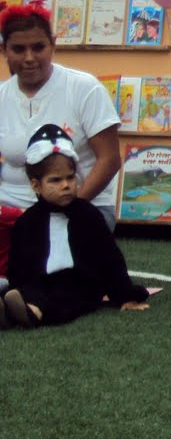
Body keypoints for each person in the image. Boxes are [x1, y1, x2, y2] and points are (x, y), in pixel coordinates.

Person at [0, 4, 121, 272]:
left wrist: (69, 207)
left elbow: (110, 160)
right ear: (4, 51)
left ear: (53, 45)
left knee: (55, 270)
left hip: (80, 206)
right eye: (18, 49)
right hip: (10, 209)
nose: (30, 57)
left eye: (38, 47)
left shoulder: (84, 88)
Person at [1, 124, 149, 327]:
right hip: (40, 282)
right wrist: (18, 286)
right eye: (55, 180)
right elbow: (18, 265)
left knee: (67, 296)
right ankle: (14, 308)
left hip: (80, 281)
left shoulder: (88, 215)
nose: (65, 185)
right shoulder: (28, 222)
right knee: (28, 290)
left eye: (70, 178)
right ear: (36, 185)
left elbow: (110, 259)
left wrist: (125, 295)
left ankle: (31, 312)